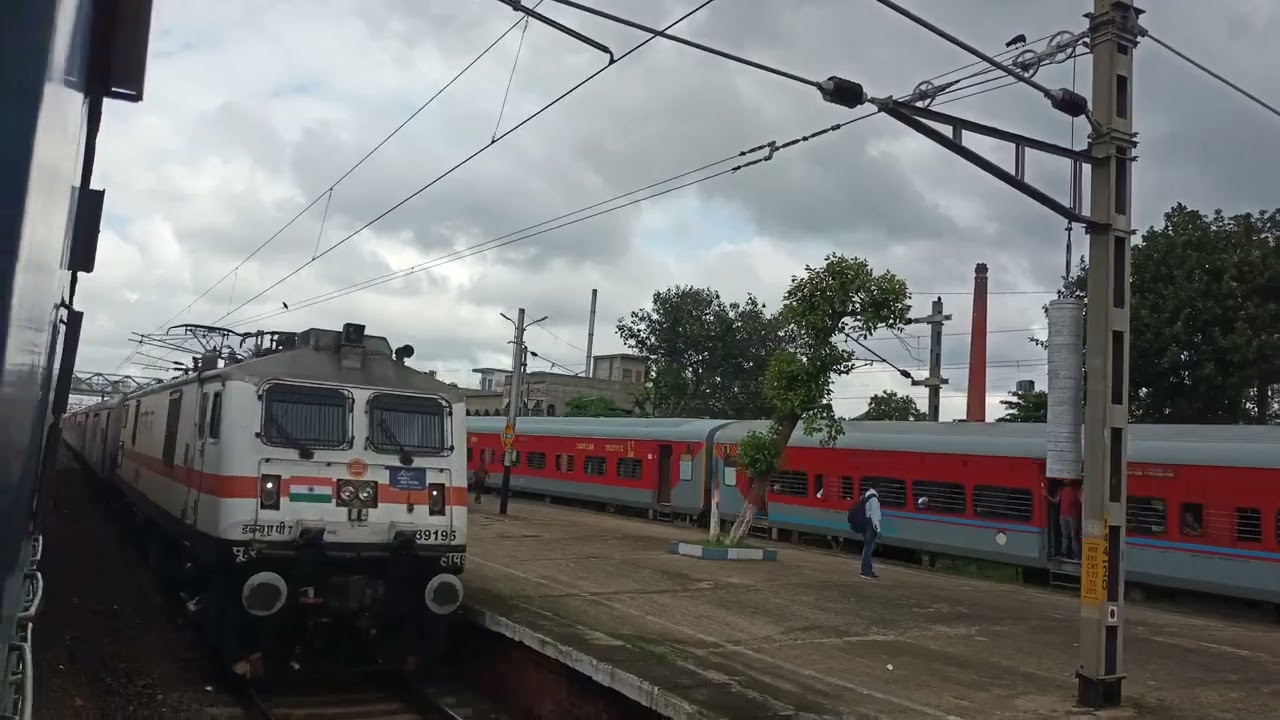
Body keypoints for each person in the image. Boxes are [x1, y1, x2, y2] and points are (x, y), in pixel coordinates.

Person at [847, 488, 882, 580]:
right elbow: (874, 515)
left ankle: (867, 570)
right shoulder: (874, 498)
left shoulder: (866, 494)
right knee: (868, 548)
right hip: (870, 525)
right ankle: (866, 571)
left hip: (865, 523)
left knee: (867, 547)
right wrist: (878, 530)